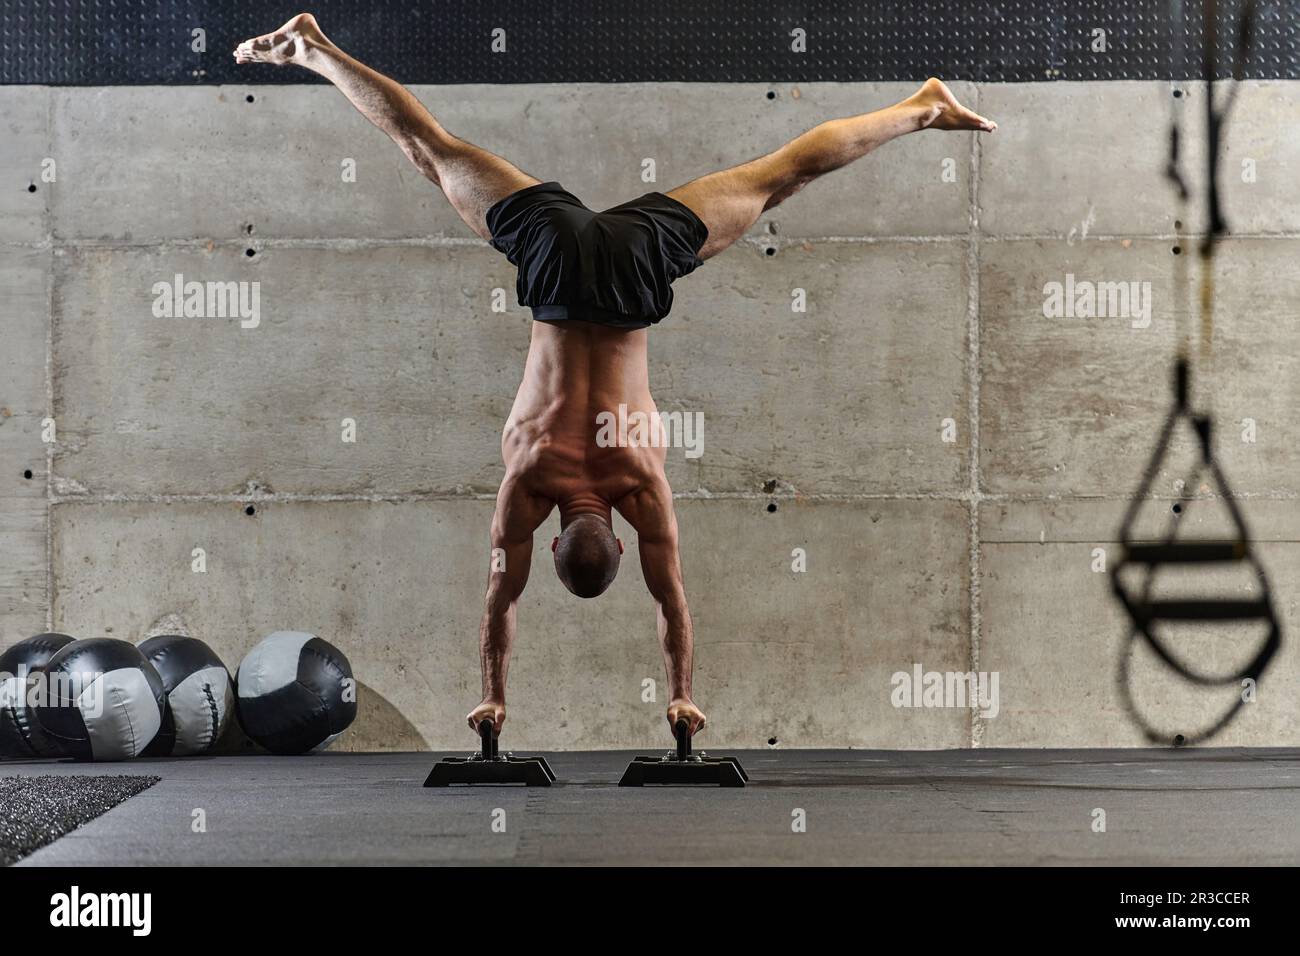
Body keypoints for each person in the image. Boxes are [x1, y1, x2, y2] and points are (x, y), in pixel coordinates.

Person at [235, 13, 997, 741]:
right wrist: (491, 692)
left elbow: (671, 602)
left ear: (620, 545)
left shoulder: (641, 485)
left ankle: (921, 110)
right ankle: (316, 51)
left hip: (633, 272)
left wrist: (683, 695)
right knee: (430, 151)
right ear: (554, 534)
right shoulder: (527, 482)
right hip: (559, 269)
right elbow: (501, 597)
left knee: (778, 179)